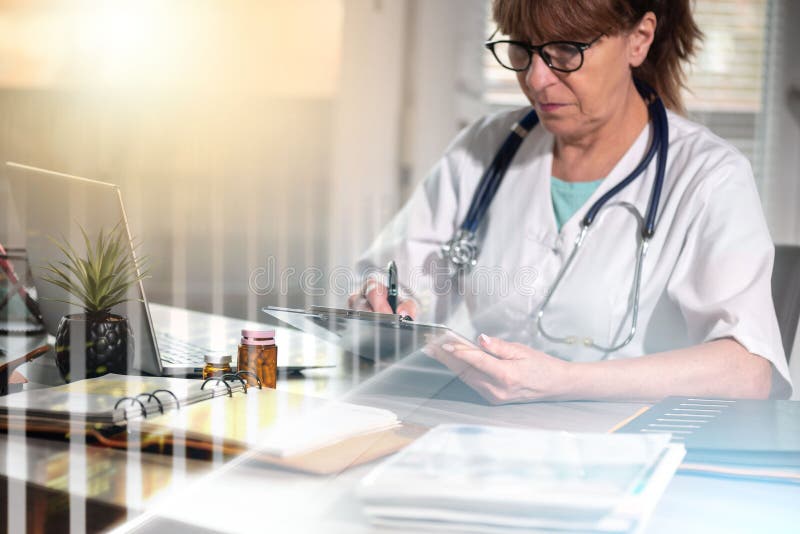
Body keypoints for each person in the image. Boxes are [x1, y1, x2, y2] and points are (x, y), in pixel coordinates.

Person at [349, 0, 792, 402]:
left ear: (638, 40)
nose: (536, 80)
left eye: (565, 52)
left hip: (636, 446)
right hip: (481, 439)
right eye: (522, 51)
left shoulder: (707, 175)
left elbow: (748, 370)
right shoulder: (484, 149)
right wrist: (388, 303)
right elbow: (399, 279)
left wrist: (564, 381)